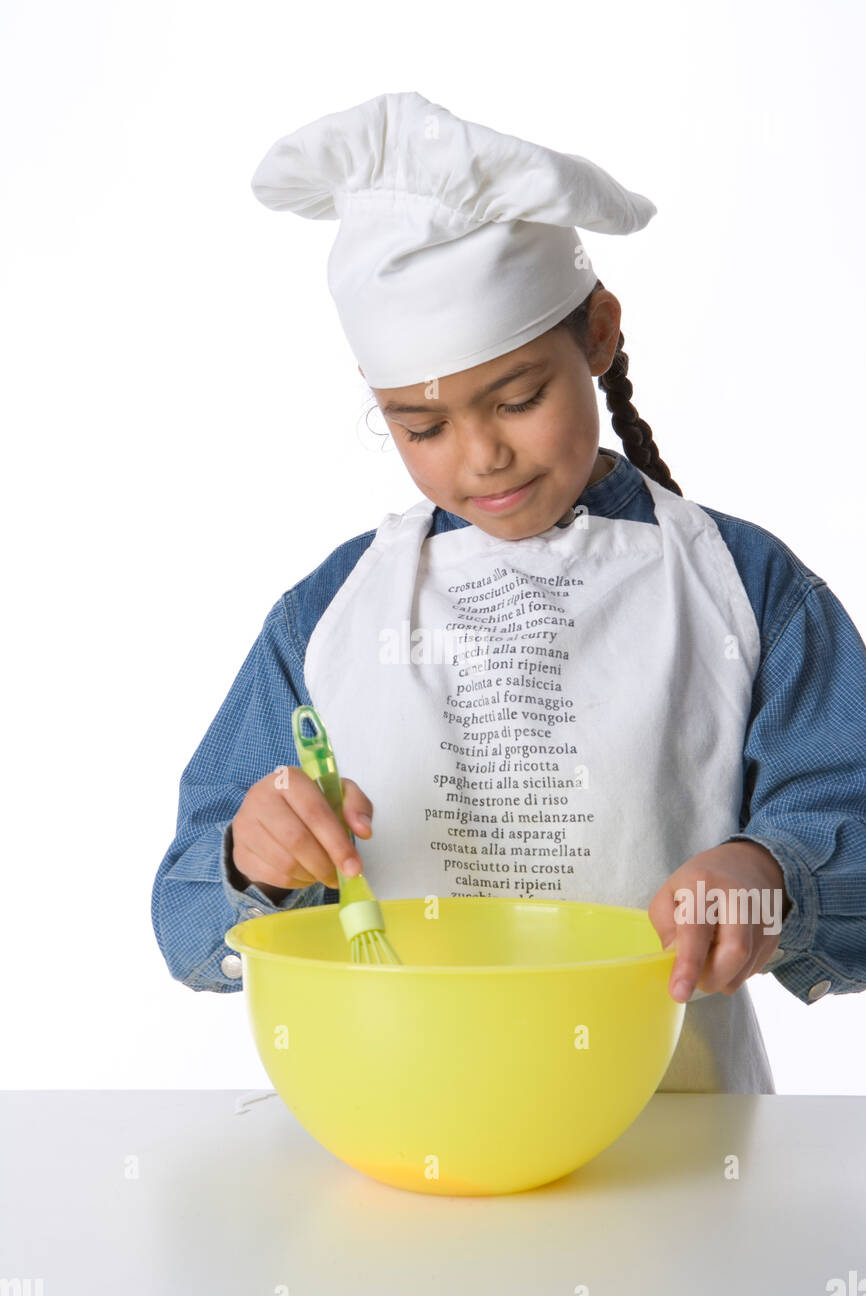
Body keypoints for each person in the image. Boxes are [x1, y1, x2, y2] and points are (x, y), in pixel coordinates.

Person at [151, 92, 866, 1093]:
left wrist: (762, 880)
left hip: (666, 1144)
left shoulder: (745, 590)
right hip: (395, 1131)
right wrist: (250, 861)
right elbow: (188, 923)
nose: (479, 456)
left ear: (600, 335)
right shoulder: (328, 616)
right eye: (419, 426)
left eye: (519, 397)